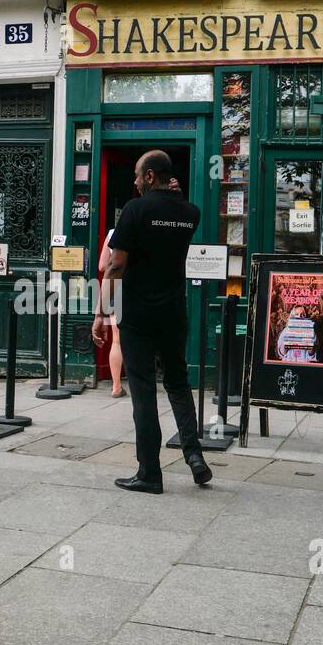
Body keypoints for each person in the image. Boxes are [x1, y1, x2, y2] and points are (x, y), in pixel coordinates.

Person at [93, 149, 212, 494]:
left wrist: (102, 312)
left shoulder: (134, 210)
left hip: (137, 313)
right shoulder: (191, 212)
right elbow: (174, 216)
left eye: (136, 174)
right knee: (177, 383)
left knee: (143, 390)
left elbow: (115, 265)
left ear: (149, 177)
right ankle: (194, 456)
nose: (132, 180)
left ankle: (150, 472)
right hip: (174, 311)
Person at [97, 229, 125, 398]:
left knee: (117, 340)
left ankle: (116, 387)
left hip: (118, 289)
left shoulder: (113, 233)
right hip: (143, 291)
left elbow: (102, 266)